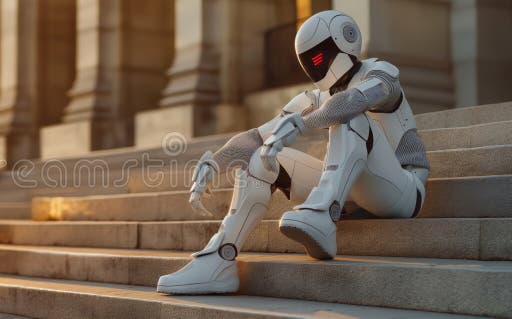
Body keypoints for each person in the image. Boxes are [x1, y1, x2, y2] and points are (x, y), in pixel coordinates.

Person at [156, 10, 430, 295]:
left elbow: (353, 101)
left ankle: (322, 214)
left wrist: (304, 123)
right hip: (354, 194)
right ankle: (219, 260)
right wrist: (214, 163)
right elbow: (255, 136)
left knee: (350, 116)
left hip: (405, 190)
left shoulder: (380, 72)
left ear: (345, 40)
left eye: (319, 56)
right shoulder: (317, 98)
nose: (316, 65)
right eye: (310, 59)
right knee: (261, 157)